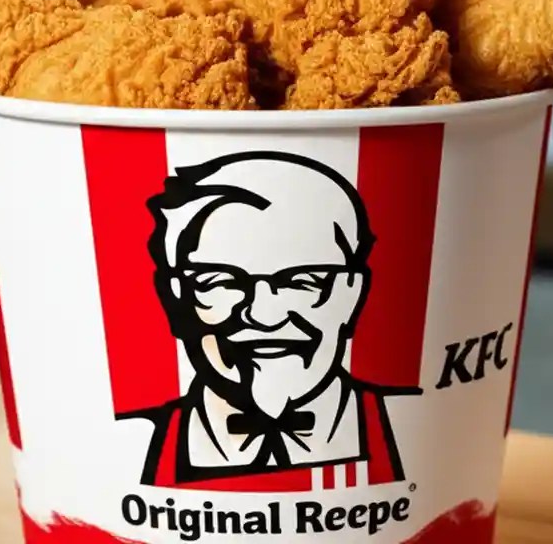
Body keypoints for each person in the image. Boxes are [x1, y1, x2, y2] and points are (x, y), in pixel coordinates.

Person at [133, 151, 414, 487]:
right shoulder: (125, 442)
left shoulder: (422, 425)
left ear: (352, 294)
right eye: (220, 281)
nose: (264, 316)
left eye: (303, 281)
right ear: (175, 297)